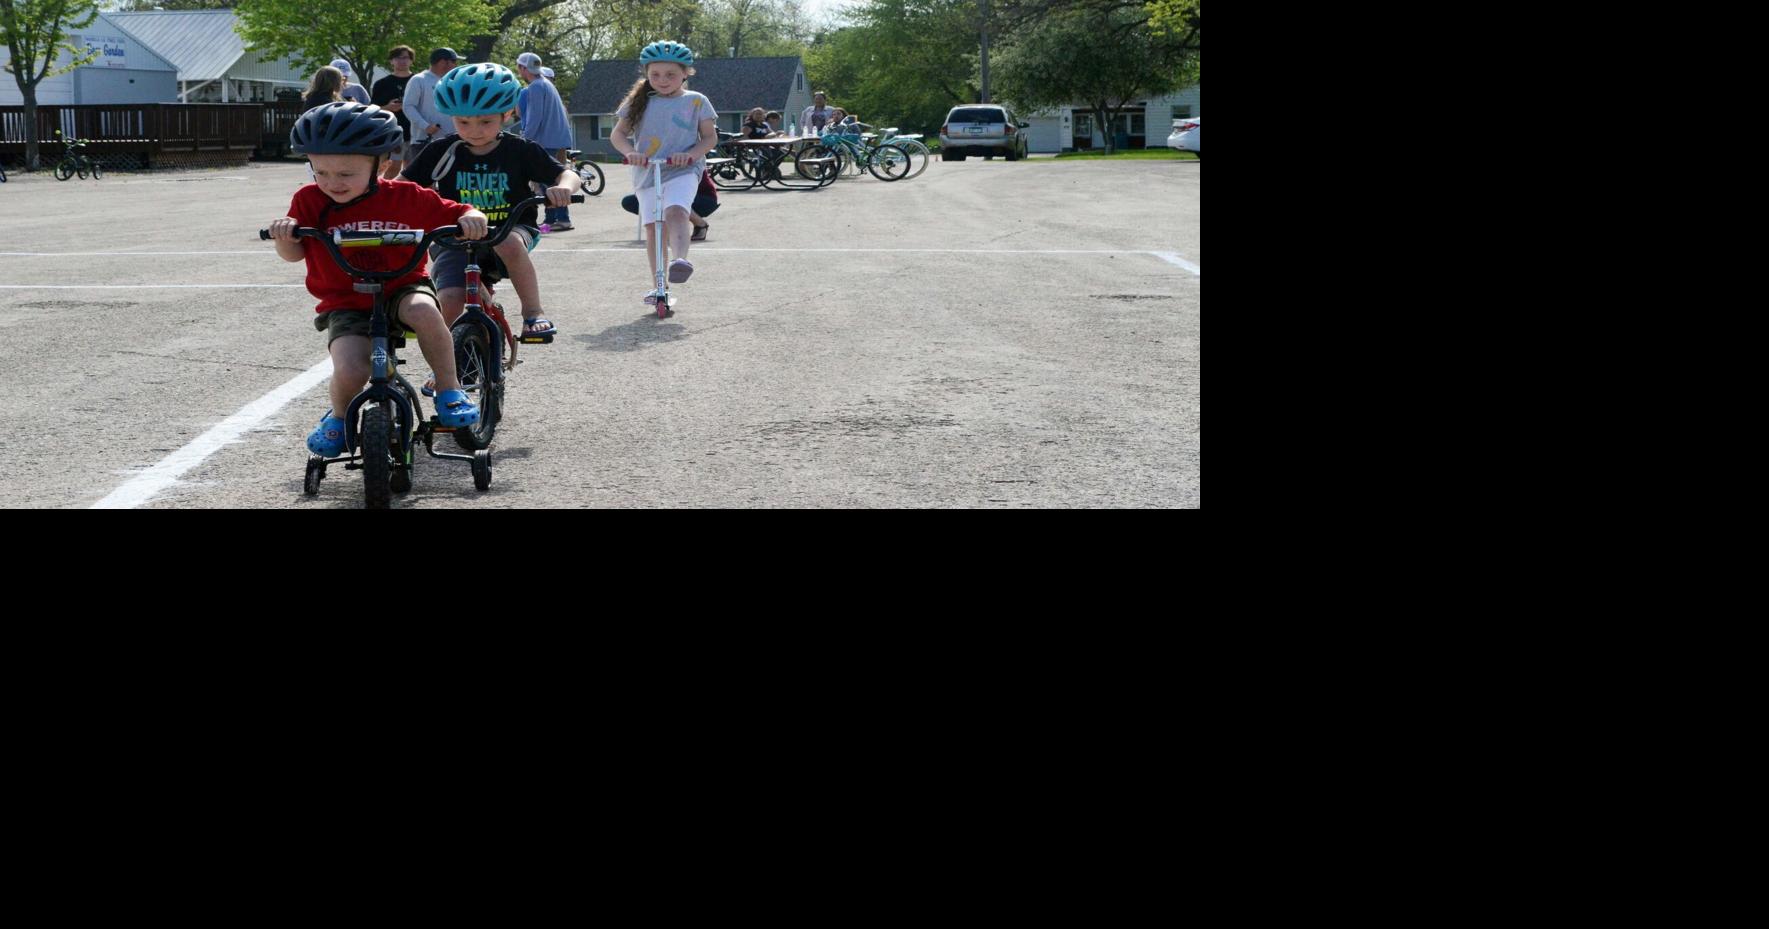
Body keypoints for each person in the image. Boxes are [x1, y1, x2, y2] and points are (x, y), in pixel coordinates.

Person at [264, 103, 487, 456]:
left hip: (402, 287)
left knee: (425, 311)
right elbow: (293, 255)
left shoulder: (407, 197)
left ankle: (448, 388)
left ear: (381, 165)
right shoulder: (308, 201)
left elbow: (458, 212)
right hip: (345, 301)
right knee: (351, 368)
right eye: (320, 172)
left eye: (345, 173)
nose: (332, 183)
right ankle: (339, 417)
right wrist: (284, 236)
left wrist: (472, 217)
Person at [403, 62, 580, 345]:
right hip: (455, 236)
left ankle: (533, 313)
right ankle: (448, 365)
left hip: (511, 229)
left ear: (506, 114)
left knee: (506, 243)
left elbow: (567, 174)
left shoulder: (520, 150)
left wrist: (563, 188)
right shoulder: (442, 150)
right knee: (448, 301)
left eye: (485, 122)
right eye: (463, 123)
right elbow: (401, 185)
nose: (474, 131)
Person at [610, 40, 718, 306]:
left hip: (684, 169)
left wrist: (690, 155)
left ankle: (680, 260)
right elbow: (618, 134)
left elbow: (709, 138)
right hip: (647, 171)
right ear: (646, 74)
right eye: (655, 74)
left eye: (671, 74)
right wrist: (630, 152)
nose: (663, 80)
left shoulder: (696, 101)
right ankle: (659, 285)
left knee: (677, 211)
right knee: (653, 228)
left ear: (686, 73)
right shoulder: (638, 101)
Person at [514, 52, 576, 232]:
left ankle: (563, 219)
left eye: (519, 67)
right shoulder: (546, 83)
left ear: (523, 68)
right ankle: (550, 219)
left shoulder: (535, 87)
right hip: (556, 138)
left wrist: (525, 140)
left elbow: (535, 117)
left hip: (545, 140)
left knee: (549, 181)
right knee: (545, 181)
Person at [402, 48, 460, 167]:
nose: (456, 65)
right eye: (454, 61)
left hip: (452, 141)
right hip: (424, 142)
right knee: (422, 177)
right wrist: (426, 126)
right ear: (443, 62)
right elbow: (408, 106)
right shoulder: (419, 79)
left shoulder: (454, 81)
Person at [622, 170, 718, 242]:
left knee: (667, 197)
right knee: (630, 201)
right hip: (666, 194)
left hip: (704, 198)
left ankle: (700, 224)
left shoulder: (682, 154)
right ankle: (664, 227)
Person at [371, 46, 417, 180]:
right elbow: (372, 109)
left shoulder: (418, 81)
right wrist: (388, 107)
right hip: (393, 132)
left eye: (406, 57)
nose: (402, 61)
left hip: (416, 132)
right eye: (398, 58)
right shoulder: (382, 84)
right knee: (393, 168)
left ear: (411, 60)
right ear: (391, 61)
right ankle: (383, 191)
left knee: (413, 170)